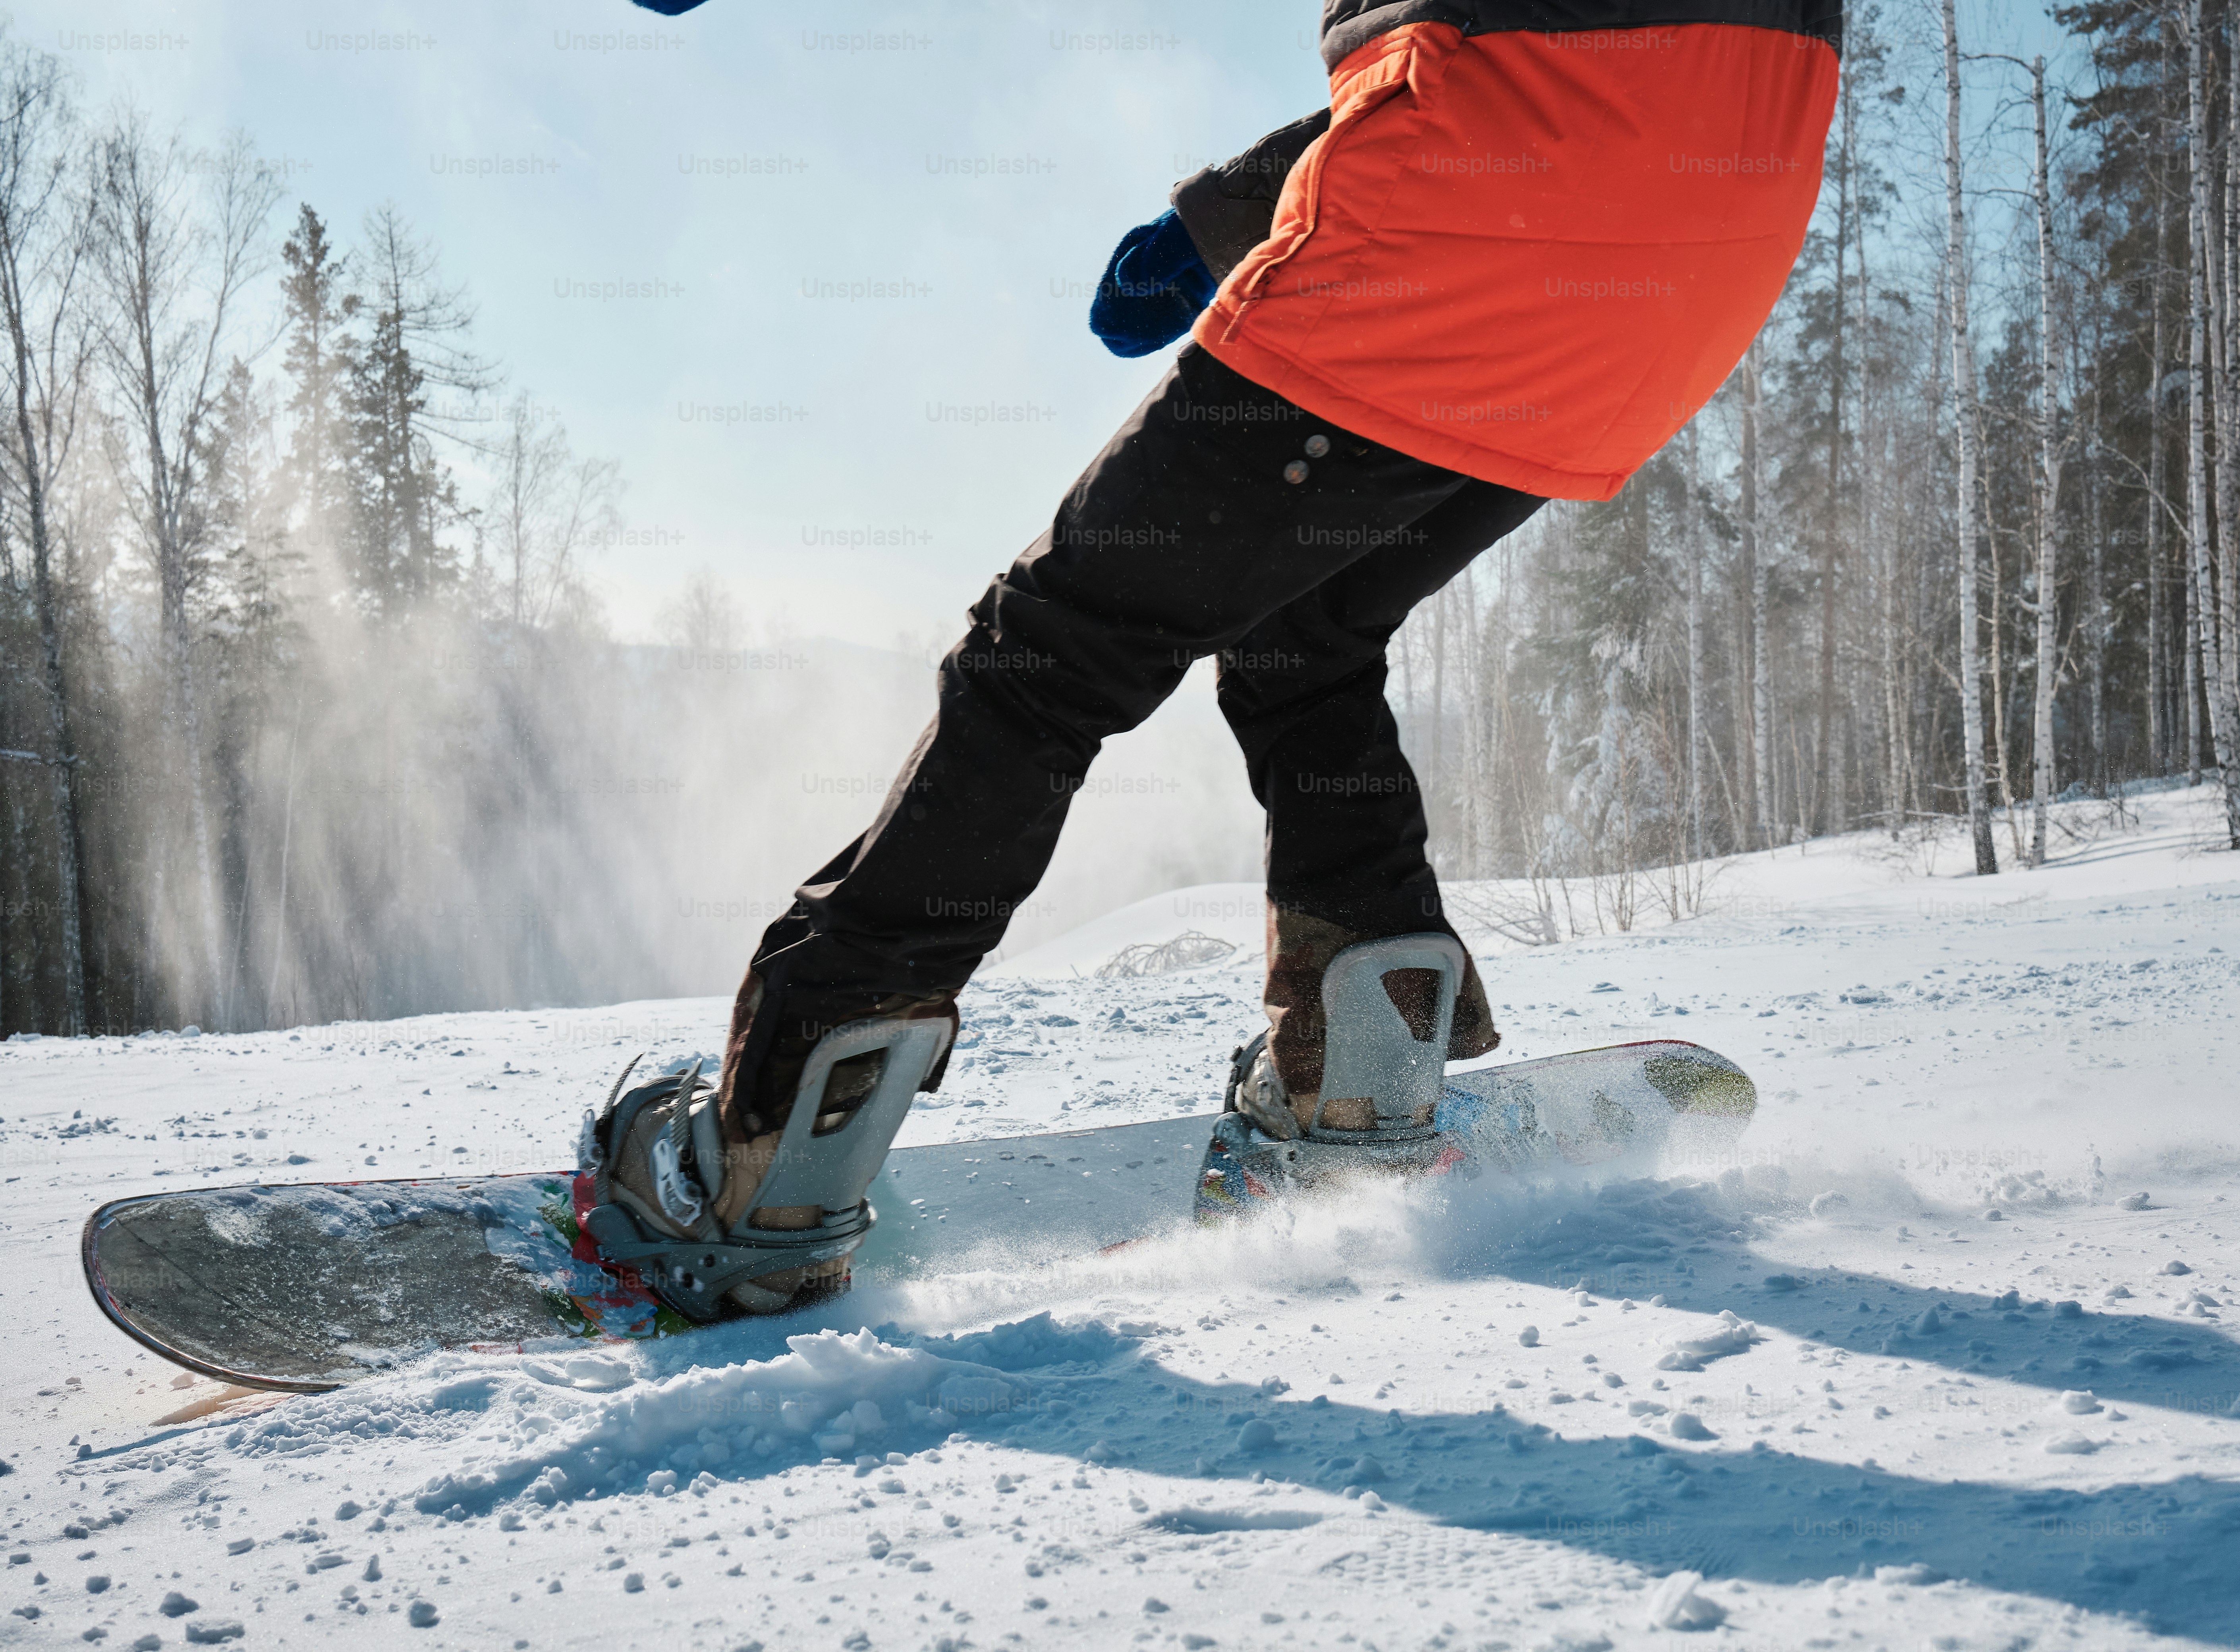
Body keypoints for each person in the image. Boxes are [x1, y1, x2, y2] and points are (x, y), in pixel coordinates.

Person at [587, 0, 1841, 1319]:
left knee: (1052, 653)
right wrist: (1213, 222)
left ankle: (772, 1148)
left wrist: (1217, 219)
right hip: (1682, 287)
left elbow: (1536, 73)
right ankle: (1361, 1062)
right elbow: (1587, 59)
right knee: (1307, 635)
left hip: (1475, 232)